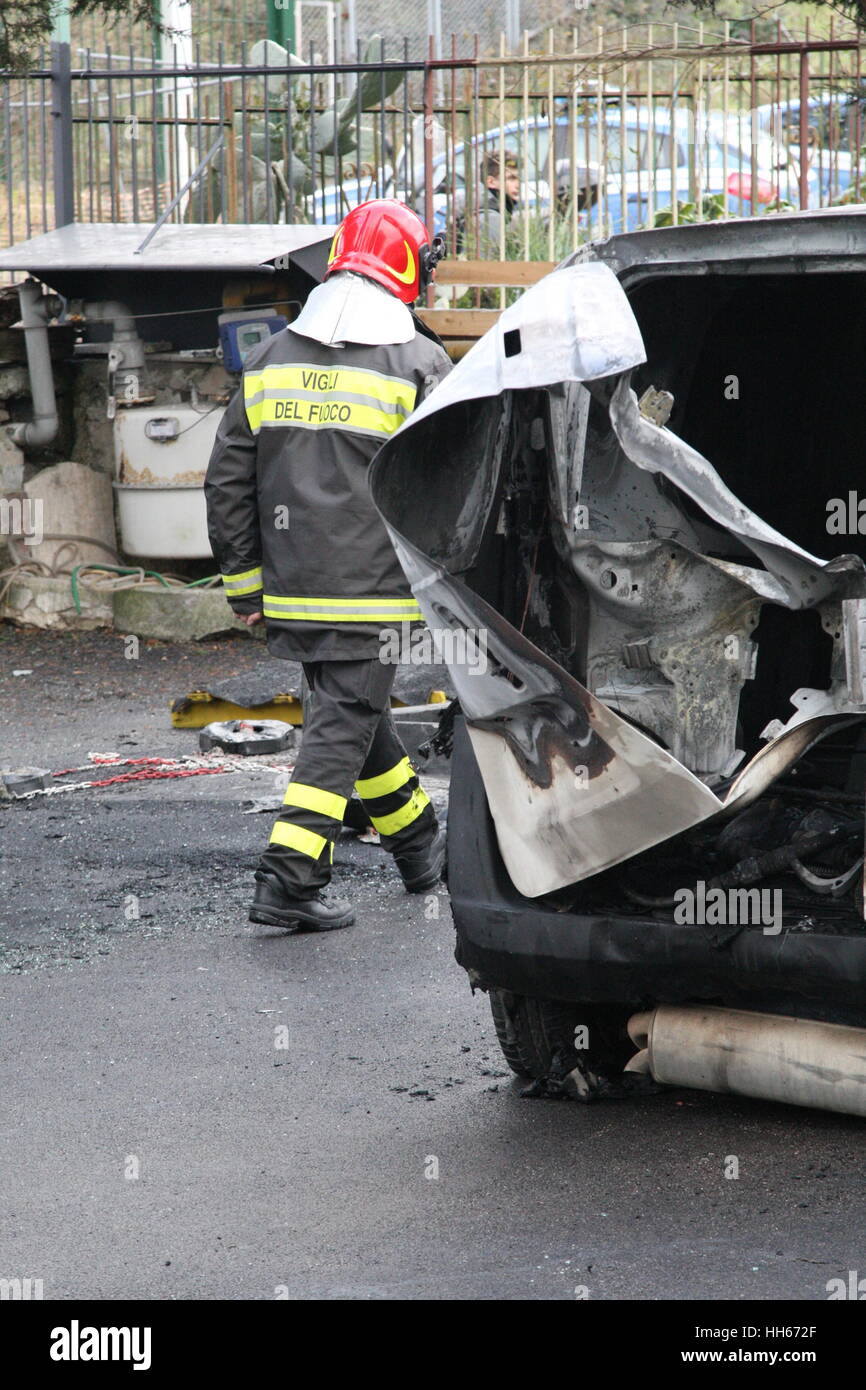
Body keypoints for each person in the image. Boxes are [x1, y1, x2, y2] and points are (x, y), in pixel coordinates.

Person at [205, 199, 452, 933]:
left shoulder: (272, 356)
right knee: (338, 728)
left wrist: (245, 585)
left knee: (351, 716)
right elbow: (448, 485)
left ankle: (417, 847)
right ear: (406, 267)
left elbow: (227, 479)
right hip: (375, 597)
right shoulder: (418, 362)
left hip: (292, 590)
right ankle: (287, 882)